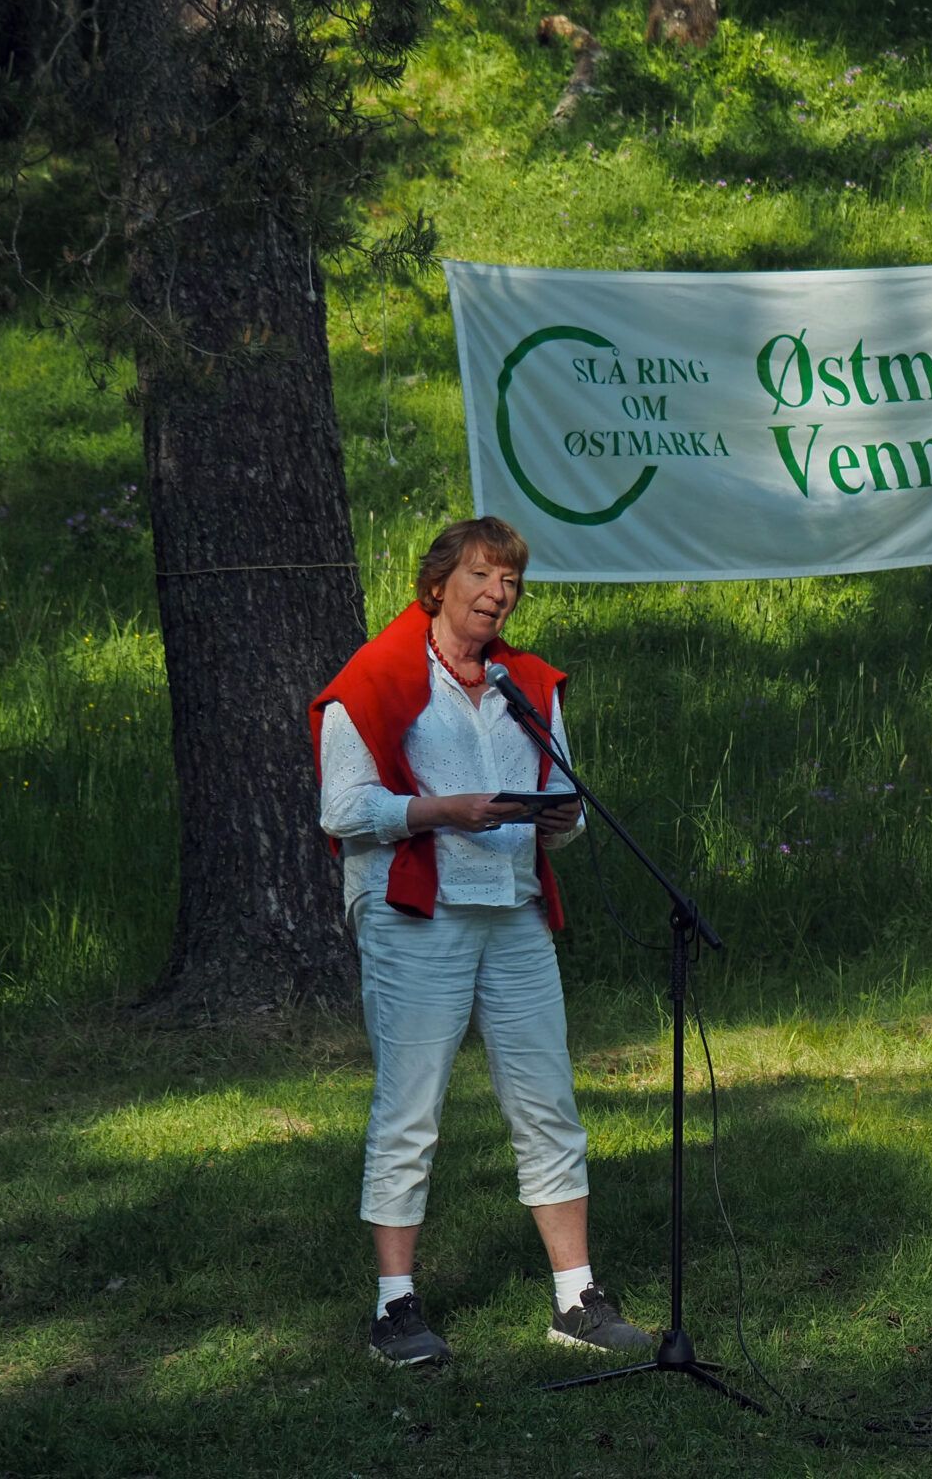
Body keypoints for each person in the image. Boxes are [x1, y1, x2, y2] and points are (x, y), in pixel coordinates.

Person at [310, 516, 651, 1367]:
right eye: (482, 577)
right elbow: (343, 810)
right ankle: (397, 1308)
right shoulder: (377, 675)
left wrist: (560, 817)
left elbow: (558, 812)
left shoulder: (527, 683)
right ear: (438, 586)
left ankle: (576, 1297)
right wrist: (443, 811)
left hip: (515, 910)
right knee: (411, 1106)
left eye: (511, 583)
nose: (498, 595)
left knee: (546, 1102)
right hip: (416, 912)